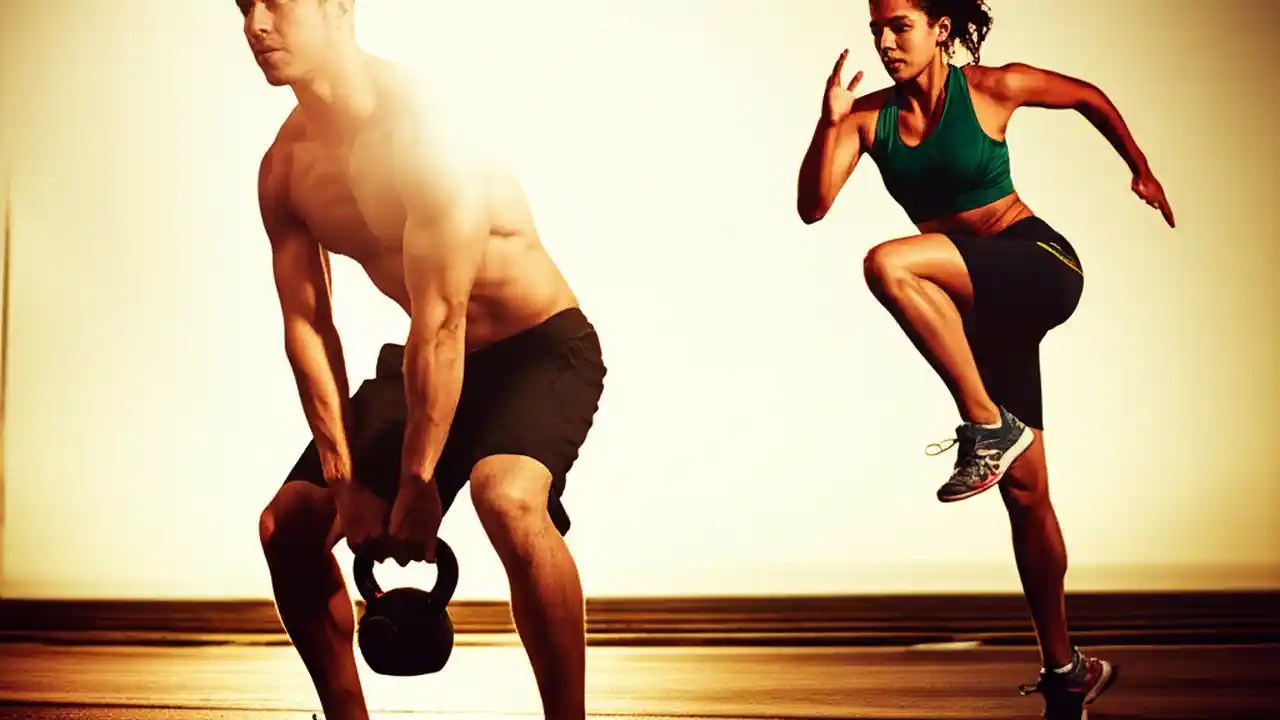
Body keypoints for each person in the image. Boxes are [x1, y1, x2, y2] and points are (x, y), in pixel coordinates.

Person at [796, 0, 1173, 716]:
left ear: (938, 29)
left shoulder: (994, 87)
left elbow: (1088, 96)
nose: (884, 41)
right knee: (1026, 495)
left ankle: (984, 424)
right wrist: (829, 119)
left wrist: (1141, 168)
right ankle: (1066, 671)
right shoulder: (867, 119)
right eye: (875, 28)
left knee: (888, 264)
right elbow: (813, 205)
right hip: (980, 307)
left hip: (1037, 261)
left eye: (898, 26)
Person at [239, 1, 607, 719]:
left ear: (337, 8)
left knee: (507, 498)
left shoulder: (426, 130)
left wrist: (417, 481)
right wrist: (346, 482)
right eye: (243, 7)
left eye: (275, 2)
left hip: (537, 350)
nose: (255, 24)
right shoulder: (286, 168)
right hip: (427, 359)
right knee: (289, 524)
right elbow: (309, 327)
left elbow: (444, 316)